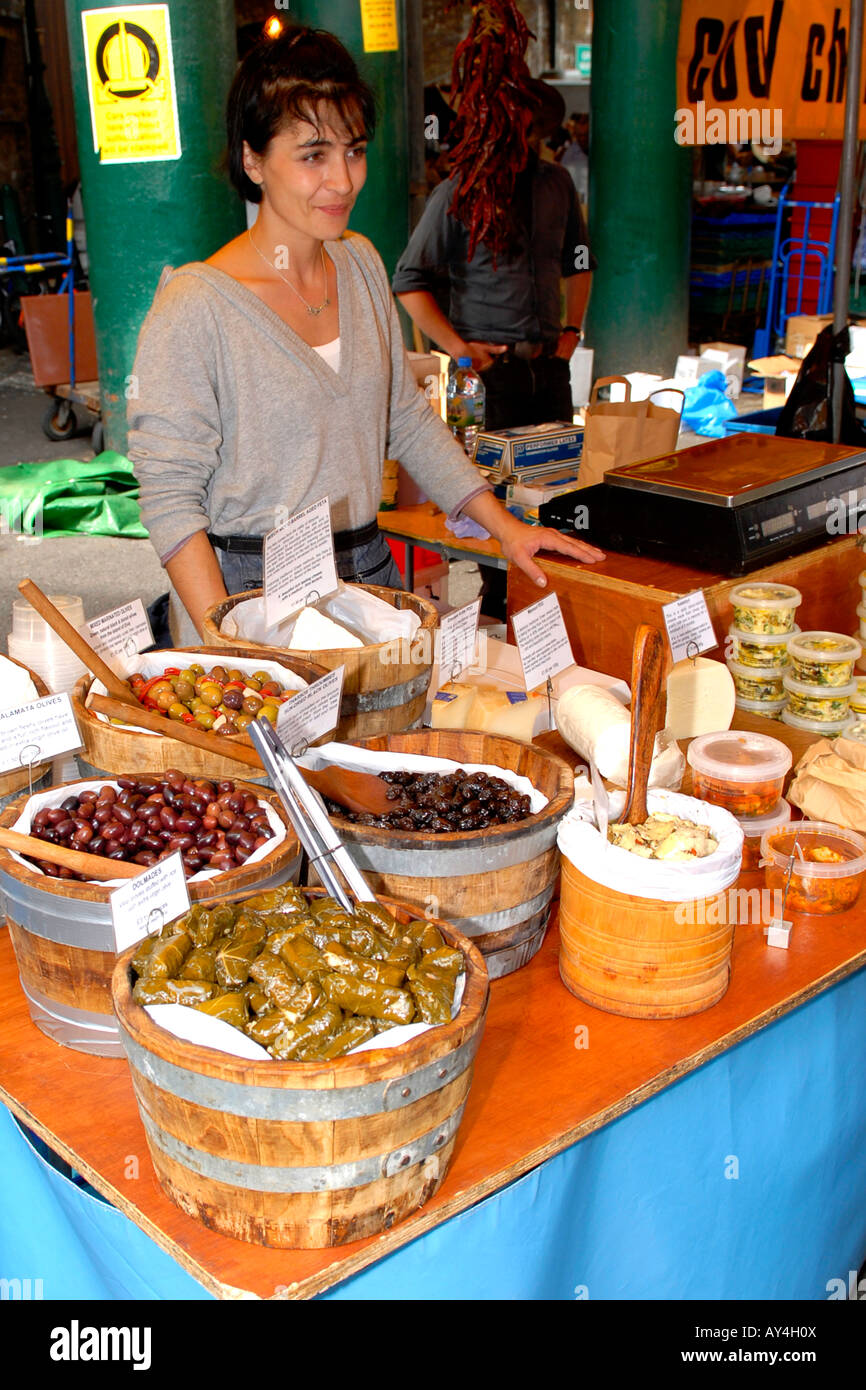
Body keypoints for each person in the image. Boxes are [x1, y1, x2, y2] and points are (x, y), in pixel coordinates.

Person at [127, 28, 603, 645]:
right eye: (313, 155)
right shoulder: (196, 304)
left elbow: (403, 416)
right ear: (253, 160)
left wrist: (504, 526)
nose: (344, 180)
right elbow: (169, 498)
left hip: (366, 578)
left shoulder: (360, 265)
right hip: (245, 592)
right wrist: (232, 646)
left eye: (354, 151)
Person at [392, 80, 596, 433]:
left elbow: (579, 260)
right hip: (484, 371)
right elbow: (408, 281)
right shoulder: (458, 191)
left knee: (558, 476)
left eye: (522, 117)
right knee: (480, 480)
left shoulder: (557, 183)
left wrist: (573, 331)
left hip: (550, 366)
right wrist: (460, 350)